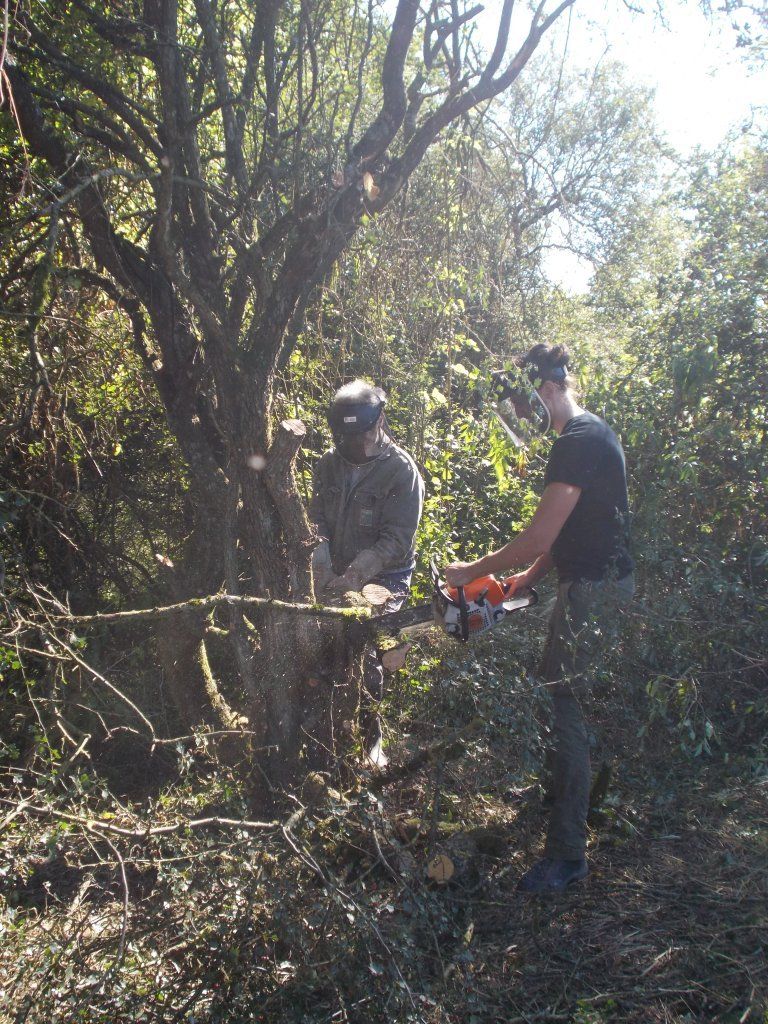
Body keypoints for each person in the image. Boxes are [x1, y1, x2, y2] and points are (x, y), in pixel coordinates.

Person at [445, 343, 634, 894]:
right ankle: (568, 794)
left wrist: (469, 572)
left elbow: (539, 534)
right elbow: (569, 531)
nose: (524, 419)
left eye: (526, 406)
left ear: (546, 390)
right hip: (594, 581)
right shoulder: (591, 434)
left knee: (566, 703)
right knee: (562, 688)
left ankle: (567, 854)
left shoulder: (577, 442)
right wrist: (527, 578)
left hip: (594, 591)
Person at [310, 380, 424, 760]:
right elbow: (316, 522)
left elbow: (395, 541)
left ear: (380, 423)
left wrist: (356, 576)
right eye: (349, 437)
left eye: (364, 434)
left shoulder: (400, 471)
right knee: (318, 646)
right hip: (336, 567)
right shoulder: (328, 464)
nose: (358, 445)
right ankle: (323, 736)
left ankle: (371, 744)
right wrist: (321, 565)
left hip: (384, 577)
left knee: (369, 655)